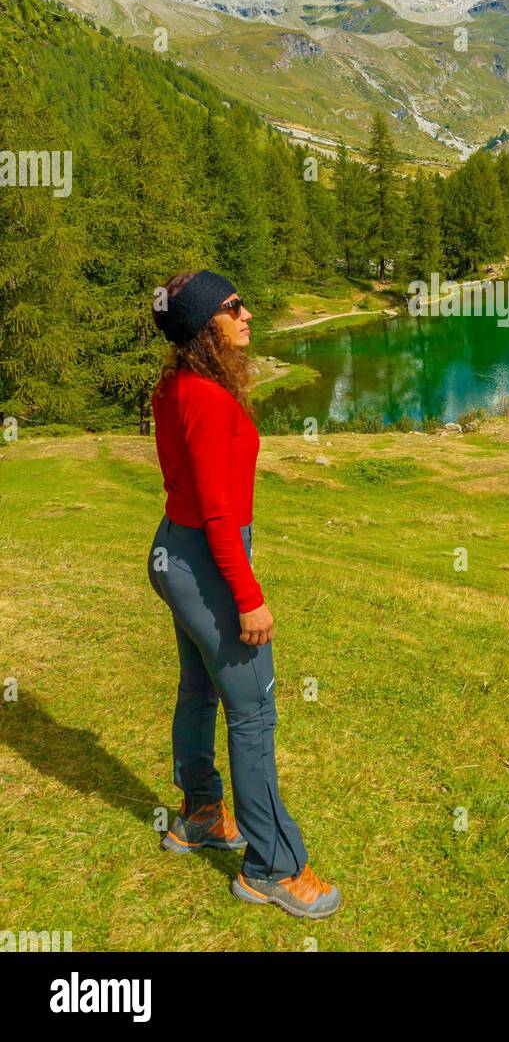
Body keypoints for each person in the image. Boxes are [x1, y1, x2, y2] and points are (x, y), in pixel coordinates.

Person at [147, 270, 340, 921]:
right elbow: (221, 513)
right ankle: (273, 867)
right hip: (206, 557)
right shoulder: (207, 399)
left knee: (199, 688)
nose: (248, 313)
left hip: (175, 551)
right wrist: (248, 597)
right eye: (234, 308)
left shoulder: (174, 384)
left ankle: (200, 811)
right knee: (253, 714)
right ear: (206, 327)